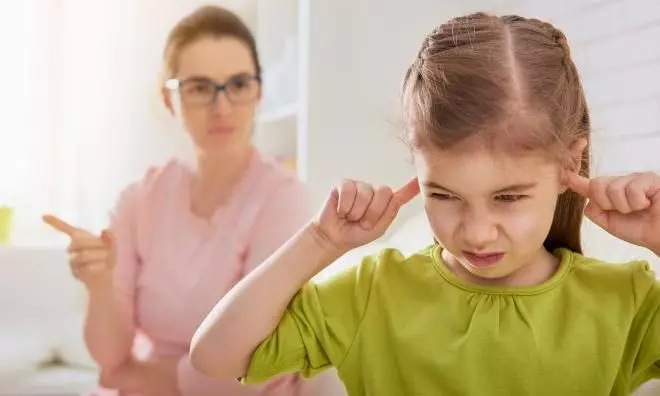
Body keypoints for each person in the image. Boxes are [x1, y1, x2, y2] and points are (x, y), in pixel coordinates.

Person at [187, 12, 660, 396]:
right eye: (444, 195)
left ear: (569, 165)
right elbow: (215, 356)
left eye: (508, 197)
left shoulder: (627, 301)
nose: (476, 232)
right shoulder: (372, 291)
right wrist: (319, 241)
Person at [43, 5, 312, 396]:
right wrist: (99, 285)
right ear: (168, 98)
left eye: (238, 84)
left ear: (259, 91)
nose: (222, 107)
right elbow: (109, 358)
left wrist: (148, 380)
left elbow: (260, 361)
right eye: (200, 88)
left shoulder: (285, 200)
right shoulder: (138, 201)